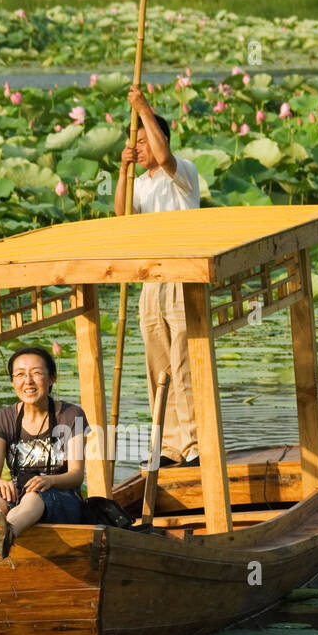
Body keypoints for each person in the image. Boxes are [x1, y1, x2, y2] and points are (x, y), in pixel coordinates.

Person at [115, 84, 201, 468]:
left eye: (143, 141)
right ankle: (168, 446)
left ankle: (196, 444)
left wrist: (143, 108)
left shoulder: (180, 173)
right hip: (151, 280)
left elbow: (163, 155)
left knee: (184, 363)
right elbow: (122, 216)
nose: (141, 148)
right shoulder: (142, 182)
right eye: (135, 142)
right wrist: (124, 168)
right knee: (159, 367)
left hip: (181, 275)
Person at [0, 346, 88, 558]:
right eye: (19, 375)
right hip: (17, 494)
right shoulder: (4, 418)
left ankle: (9, 531)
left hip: (60, 497)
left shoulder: (71, 415)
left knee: (32, 498)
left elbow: (76, 475)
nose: (28, 381)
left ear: (52, 378)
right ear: (13, 381)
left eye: (36, 373)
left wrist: (50, 481)